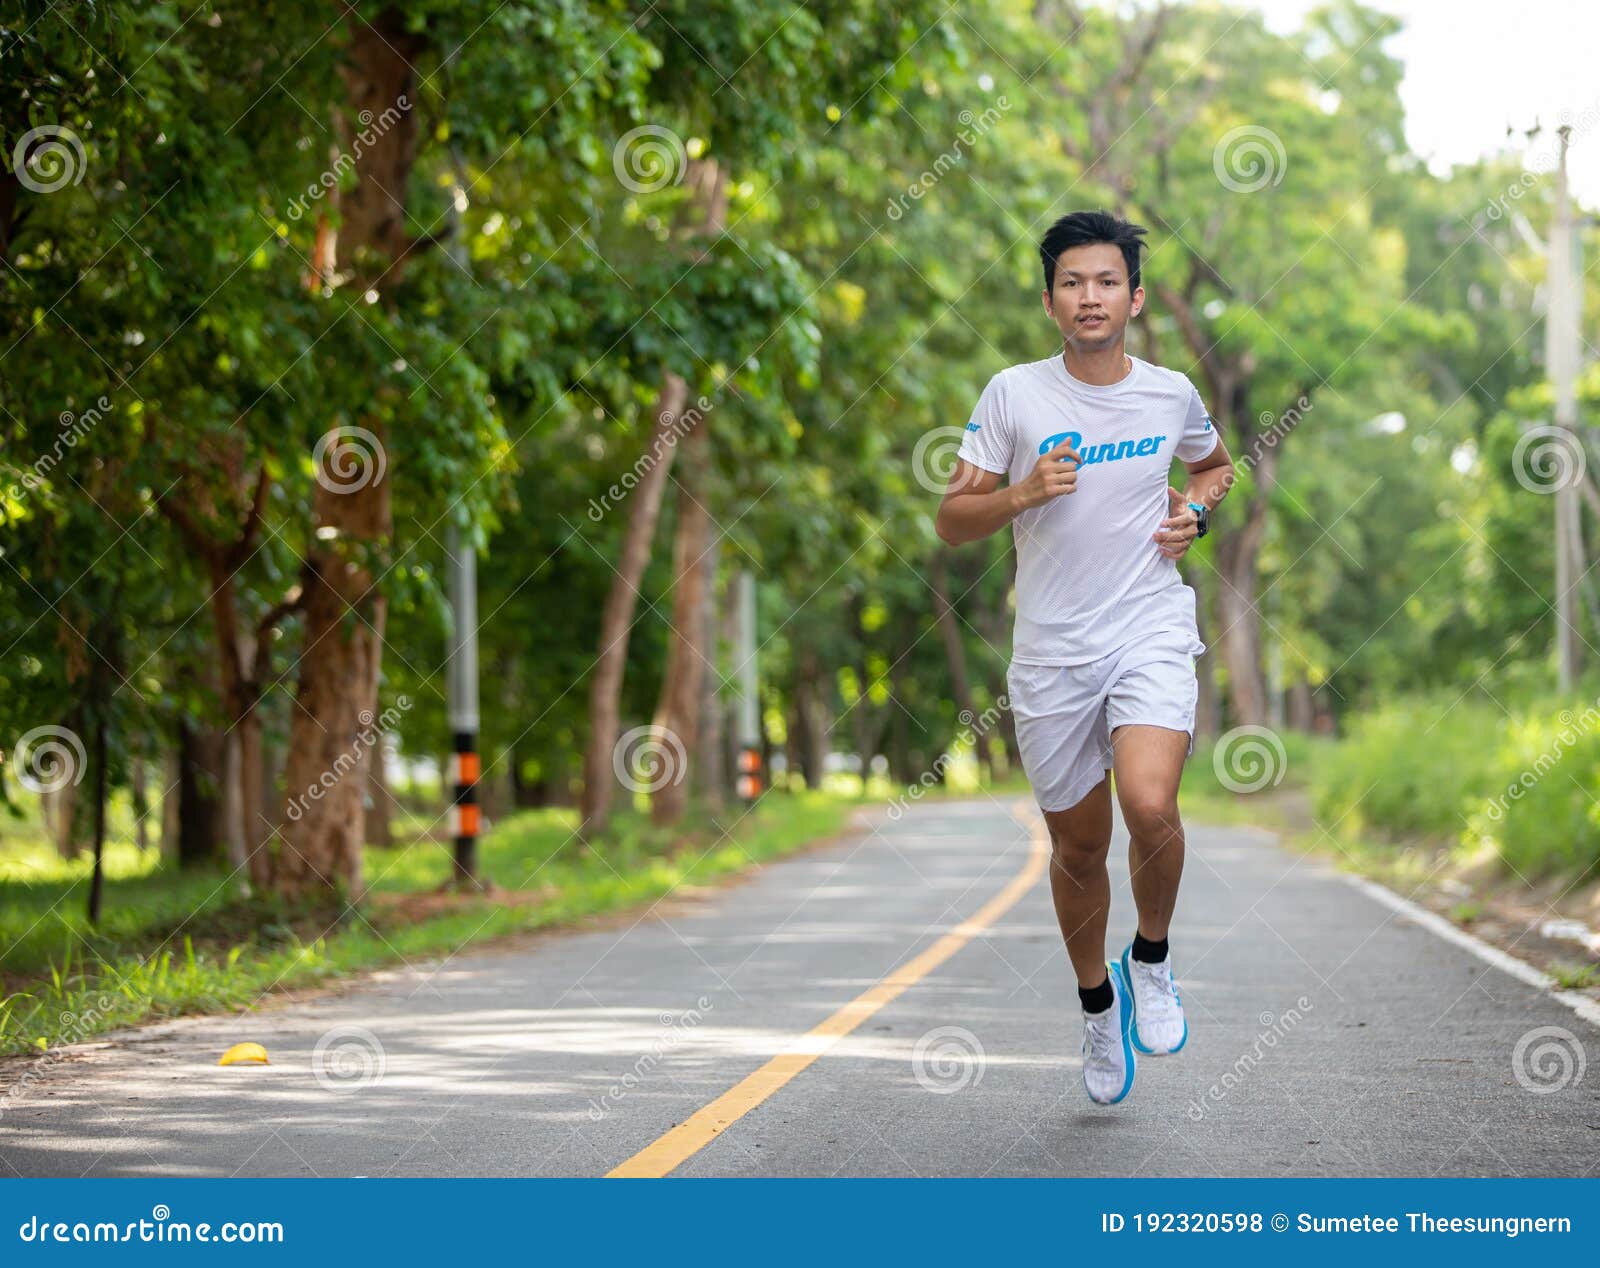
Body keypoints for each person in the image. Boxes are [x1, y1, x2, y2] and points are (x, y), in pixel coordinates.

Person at [934, 209, 1235, 1105]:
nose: (1090, 296)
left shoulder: (1169, 392)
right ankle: (1097, 1008)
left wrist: (1198, 513)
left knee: (1150, 803)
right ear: (1049, 300)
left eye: (1107, 281)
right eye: (1073, 282)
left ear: (1134, 297)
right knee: (1077, 846)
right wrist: (1022, 491)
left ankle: (1152, 956)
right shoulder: (1013, 396)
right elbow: (952, 521)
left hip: (1147, 624)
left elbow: (1215, 466)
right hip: (1053, 654)